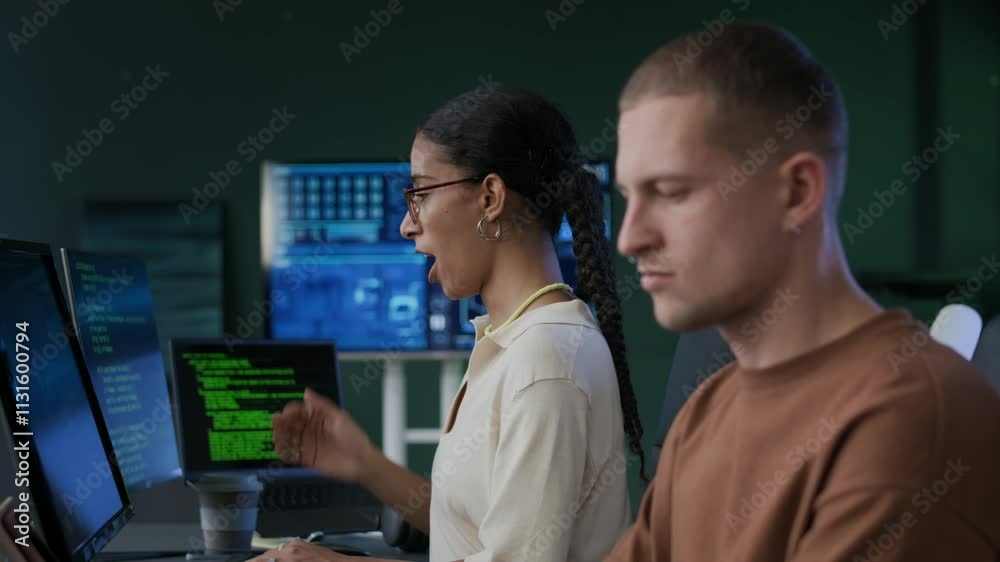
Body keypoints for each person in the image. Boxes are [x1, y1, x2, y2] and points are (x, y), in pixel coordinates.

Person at [604, 21, 1000, 561]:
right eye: (628, 196)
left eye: (671, 192)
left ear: (797, 192)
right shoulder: (706, 412)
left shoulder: (912, 417)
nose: (630, 238)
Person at [255, 85, 645, 562]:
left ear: (490, 198)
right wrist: (366, 464)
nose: (406, 224)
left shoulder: (545, 359)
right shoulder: (520, 339)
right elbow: (480, 532)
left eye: (420, 193)